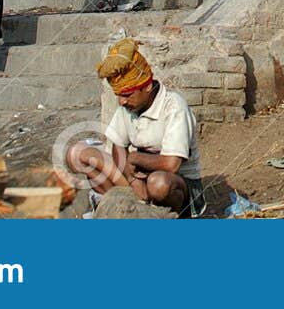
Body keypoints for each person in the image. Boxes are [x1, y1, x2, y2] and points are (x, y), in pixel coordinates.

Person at [65, 38, 206, 218]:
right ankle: (132, 208)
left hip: (175, 183)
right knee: (77, 153)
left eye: (127, 95)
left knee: (158, 183)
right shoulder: (129, 106)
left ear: (147, 87)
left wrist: (135, 158)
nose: (122, 101)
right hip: (138, 180)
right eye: (118, 95)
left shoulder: (174, 106)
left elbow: (172, 164)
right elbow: (118, 144)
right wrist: (132, 179)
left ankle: (172, 218)